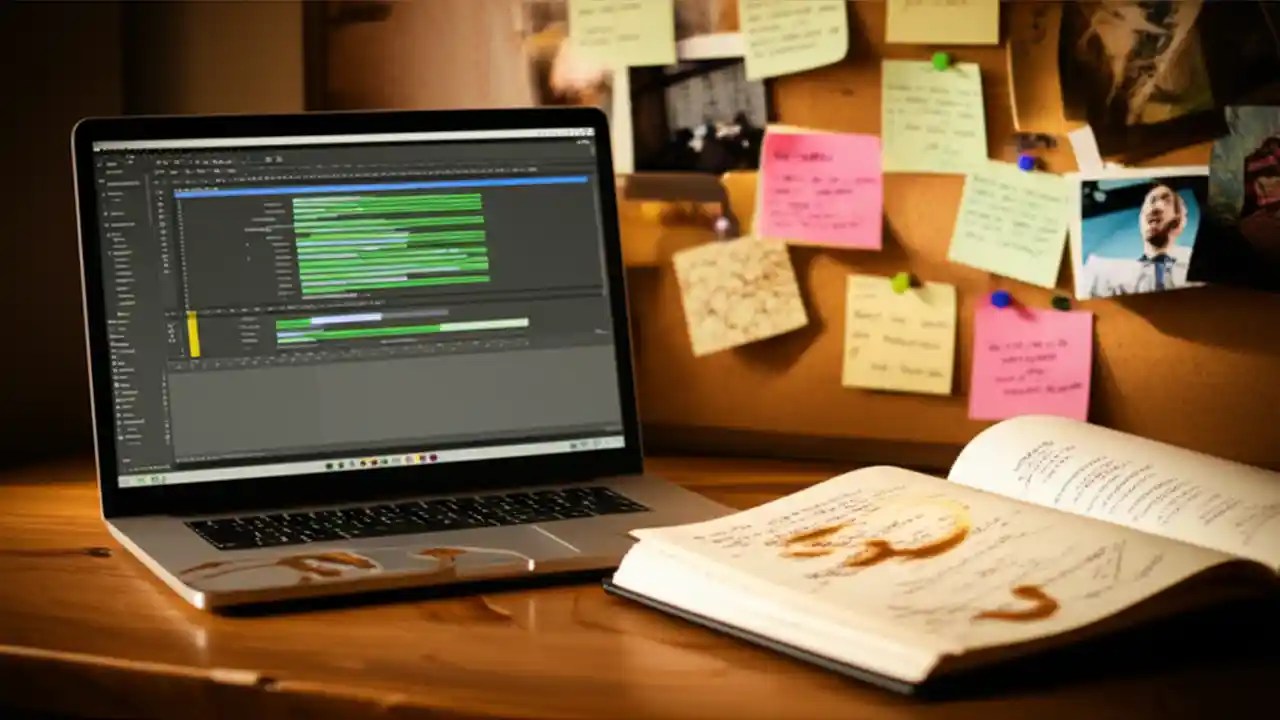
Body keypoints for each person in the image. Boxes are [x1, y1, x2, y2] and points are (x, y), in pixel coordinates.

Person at [1082, 182, 1196, 297]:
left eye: (1165, 200)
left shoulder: (1197, 265)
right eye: (1151, 201)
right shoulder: (1108, 276)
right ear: (1141, 221)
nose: (1154, 207)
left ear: (1179, 221)